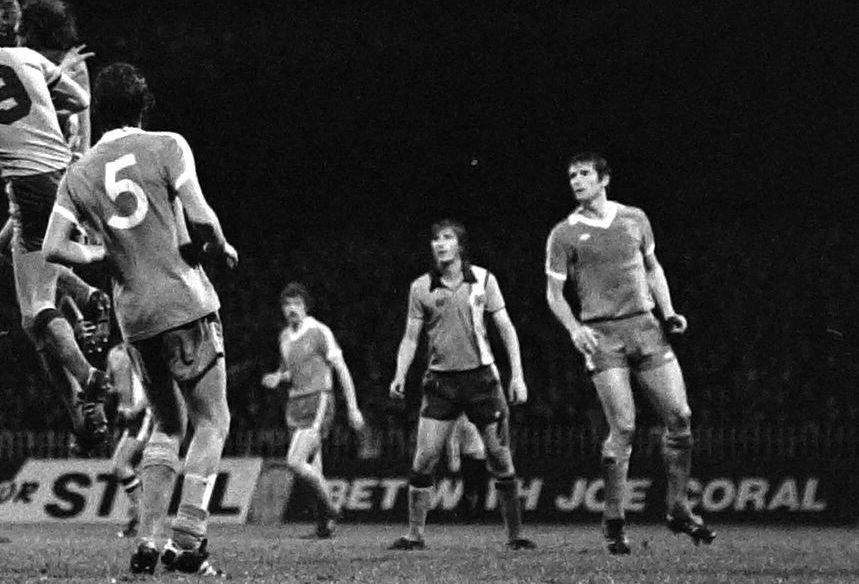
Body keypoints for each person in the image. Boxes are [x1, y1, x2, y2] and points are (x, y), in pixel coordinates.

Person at [45, 62, 236, 576]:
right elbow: (199, 217)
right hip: (183, 301)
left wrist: (99, 257)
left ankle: (148, 543)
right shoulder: (168, 145)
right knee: (212, 420)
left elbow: (53, 247)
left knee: (167, 426)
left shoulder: (79, 172)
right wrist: (222, 246)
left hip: (135, 317)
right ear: (143, 103)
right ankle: (189, 539)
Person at [0, 0, 109, 448]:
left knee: (36, 314)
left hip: (31, 191)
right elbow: (77, 101)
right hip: (68, 177)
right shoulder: (27, 60)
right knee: (5, 249)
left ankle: (90, 378)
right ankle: (88, 295)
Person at [543, 152, 716, 554]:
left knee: (681, 416)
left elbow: (652, 266)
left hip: (646, 327)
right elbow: (554, 294)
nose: (576, 180)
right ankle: (614, 521)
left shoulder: (634, 218)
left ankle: (677, 507)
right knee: (623, 426)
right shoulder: (564, 233)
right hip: (603, 335)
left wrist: (669, 311)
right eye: (571, 175)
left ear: (604, 179)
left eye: (584, 174)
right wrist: (574, 330)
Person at [387, 220, 533, 551]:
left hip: (482, 380)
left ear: (460, 245)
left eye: (447, 238)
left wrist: (518, 375)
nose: (440, 244)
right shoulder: (420, 287)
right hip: (441, 383)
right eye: (435, 239)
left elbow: (506, 328)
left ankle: (515, 535)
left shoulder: (484, 280)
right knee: (424, 459)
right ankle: (415, 535)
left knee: (500, 459)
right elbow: (411, 338)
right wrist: (400, 374)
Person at [260, 283, 366, 537]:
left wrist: (353, 408)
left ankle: (331, 508)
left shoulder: (319, 331)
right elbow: (291, 369)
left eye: (296, 303)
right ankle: (324, 525)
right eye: (286, 304)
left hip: (318, 400)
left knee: (295, 462)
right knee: (314, 469)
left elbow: (341, 368)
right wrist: (279, 377)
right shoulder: (284, 337)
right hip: (294, 403)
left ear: (306, 306)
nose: (291, 309)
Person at [102, 341, 154, 538]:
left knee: (120, 465)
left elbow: (153, 385)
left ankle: (143, 518)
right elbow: (110, 384)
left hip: (141, 415)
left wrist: (137, 408)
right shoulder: (114, 353)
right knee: (137, 469)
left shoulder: (141, 351)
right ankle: (137, 522)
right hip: (123, 417)